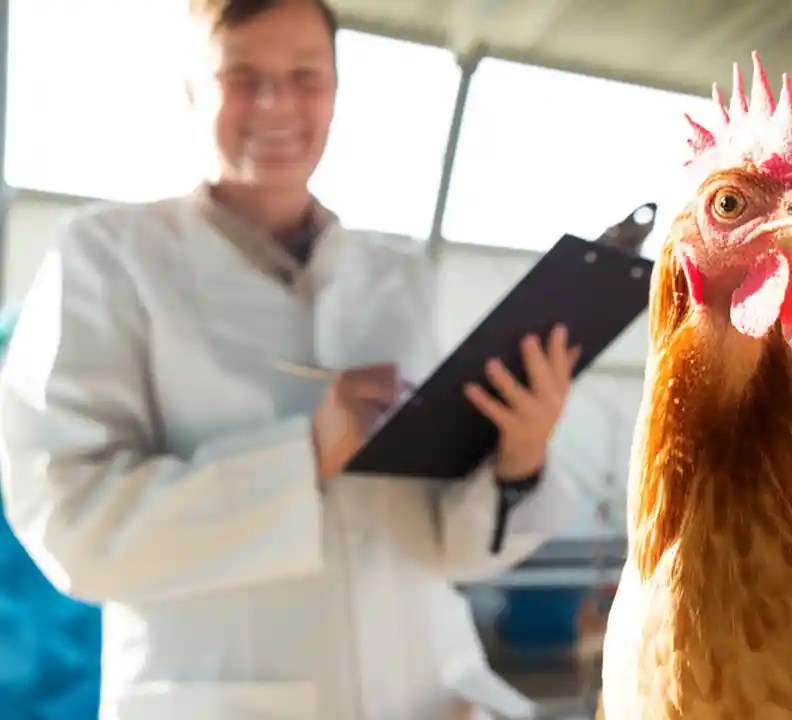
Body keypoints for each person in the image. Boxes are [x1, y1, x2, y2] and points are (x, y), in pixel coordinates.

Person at [0, 0, 583, 717]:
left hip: (428, 690)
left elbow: (445, 547)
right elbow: (73, 525)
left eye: (306, 75)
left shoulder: (397, 275)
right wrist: (303, 456)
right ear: (192, 87)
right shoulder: (107, 258)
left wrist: (516, 461)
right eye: (242, 74)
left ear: (336, 91)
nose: (276, 103)